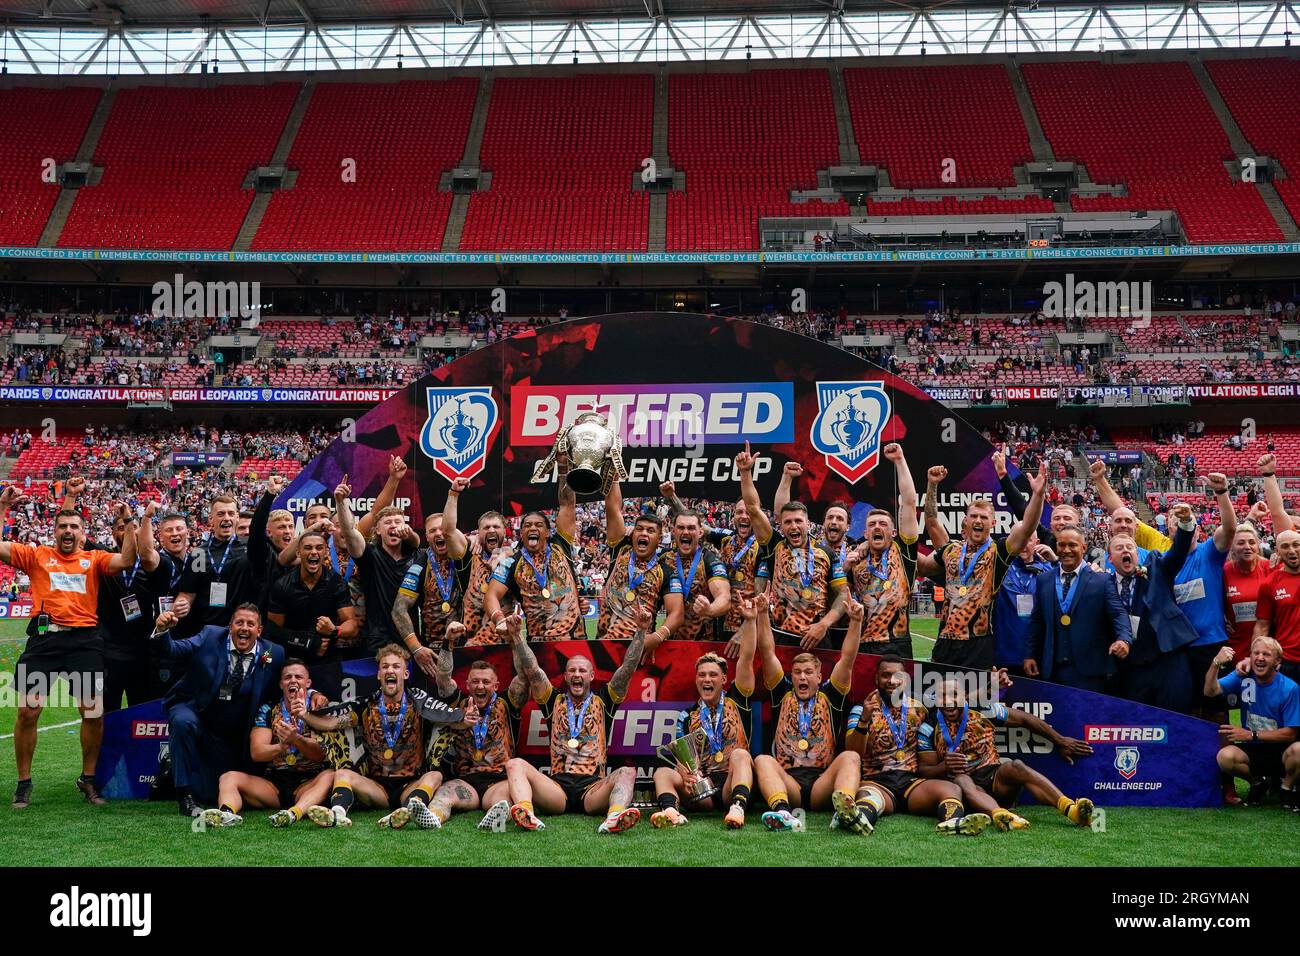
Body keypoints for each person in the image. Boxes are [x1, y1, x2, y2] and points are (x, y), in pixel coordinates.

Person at [0, 490, 140, 809]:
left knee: (92, 712)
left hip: (84, 642)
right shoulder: (37, 555)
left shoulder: (94, 559)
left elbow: (128, 559)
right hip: (45, 641)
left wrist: (129, 520)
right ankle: (23, 784)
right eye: (63, 526)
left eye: (74, 527)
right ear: (55, 531)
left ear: (83, 533)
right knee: (27, 711)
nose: (68, 531)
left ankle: (88, 780)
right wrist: (3, 506)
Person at [502, 606, 650, 833]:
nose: (577, 675)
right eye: (572, 671)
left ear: (591, 676)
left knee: (628, 772)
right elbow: (533, 670)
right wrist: (516, 636)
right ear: (565, 675)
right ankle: (527, 813)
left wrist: (641, 630)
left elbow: (628, 668)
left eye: (582, 671)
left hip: (592, 789)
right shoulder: (553, 701)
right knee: (514, 764)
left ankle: (613, 817)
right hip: (556, 789)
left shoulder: (605, 701)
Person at [299, 643, 459, 829]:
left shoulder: (418, 702)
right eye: (385, 666)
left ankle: (406, 811)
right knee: (342, 774)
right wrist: (304, 715)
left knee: (434, 776)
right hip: (377, 787)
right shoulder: (367, 705)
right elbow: (331, 723)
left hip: (411, 785)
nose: (390, 670)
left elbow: (449, 718)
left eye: (396, 666)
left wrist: (467, 720)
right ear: (378, 674)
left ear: (405, 674)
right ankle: (337, 814)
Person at [150, 603, 286, 816]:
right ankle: (183, 795)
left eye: (251, 624)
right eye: (239, 622)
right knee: (183, 722)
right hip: (196, 710)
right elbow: (173, 650)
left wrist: (313, 694)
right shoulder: (210, 636)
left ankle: (170, 771)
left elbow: (287, 682)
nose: (244, 628)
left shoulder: (274, 654)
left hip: (230, 731)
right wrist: (162, 630)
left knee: (214, 793)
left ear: (259, 631)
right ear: (230, 626)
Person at [752, 591, 867, 833]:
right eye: (797, 672)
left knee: (851, 758)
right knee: (762, 760)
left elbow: (848, 658)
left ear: (819, 676)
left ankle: (843, 811)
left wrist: (855, 622)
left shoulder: (831, 695)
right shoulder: (781, 692)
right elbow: (767, 652)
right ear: (791, 675)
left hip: (822, 783)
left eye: (807, 672)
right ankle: (783, 812)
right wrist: (762, 614)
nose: (802, 677)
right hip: (789, 781)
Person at [918, 677, 1096, 831]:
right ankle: (1002, 816)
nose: (949, 701)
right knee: (961, 780)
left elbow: (1024, 719)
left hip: (994, 779)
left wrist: (1060, 741)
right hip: (965, 791)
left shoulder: (984, 710)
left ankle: (1071, 810)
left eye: (954, 695)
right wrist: (944, 766)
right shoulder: (928, 726)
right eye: (942, 696)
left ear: (964, 696)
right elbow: (925, 770)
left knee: (1016, 766)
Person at [919, 461, 1045, 670]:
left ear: (993, 523)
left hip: (979, 643)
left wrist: (1038, 496)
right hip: (945, 641)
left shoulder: (998, 552)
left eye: (984, 517)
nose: (978, 520)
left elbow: (1026, 528)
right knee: (940, 700)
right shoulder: (951, 551)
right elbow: (925, 555)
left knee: (977, 701)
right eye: (974, 516)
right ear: (966, 520)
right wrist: (932, 485)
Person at [844, 656, 987, 836]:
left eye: (898, 676)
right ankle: (859, 820)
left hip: (911, 782)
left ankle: (951, 822)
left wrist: (992, 686)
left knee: (950, 789)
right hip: (877, 780)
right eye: (885, 676)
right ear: (876, 679)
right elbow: (852, 751)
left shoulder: (920, 708)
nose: (892, 681)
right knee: (869, 797)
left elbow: (955, 698)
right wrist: (864, 719)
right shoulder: (861, 708)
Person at [651, 595, 760, 830]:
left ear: (724, 679)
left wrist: (750, 621)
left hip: (733, 782)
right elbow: (683, 760)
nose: (707, 679)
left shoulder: (738, 700)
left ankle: (738, 808)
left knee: (741, 755)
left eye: (712, 675)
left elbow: (747, 658)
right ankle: (670, 811)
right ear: (696, 679)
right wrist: (686, 774)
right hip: (705, 788)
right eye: (702, 675)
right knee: (662, 772)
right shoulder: (686, 716)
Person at [199, 658, 335, 828]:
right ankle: (226, 813)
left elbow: (320, 755)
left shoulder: (318, 708)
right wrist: (282, 747)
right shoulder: (268, 710)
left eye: (299, 677)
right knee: (229, 777)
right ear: (280, 684)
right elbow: (257, 752)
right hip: (274, 785)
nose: (293, 680)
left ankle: (293, 813)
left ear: (308, 683)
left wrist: (296, 740)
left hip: (308, 782)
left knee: (330, 775)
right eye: (287, 677)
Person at [739, 443, 847, 649]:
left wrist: (824, 624)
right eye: (788, 522)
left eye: (798, 521)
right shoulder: (774, 547)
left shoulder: (827, 553)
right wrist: (745, 473)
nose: (793, 526)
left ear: (808, 523)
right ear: (781, 524)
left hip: (818, 638)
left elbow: (842, 594)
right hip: (779, 636)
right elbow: (753, 508)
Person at [485, 452, 584, 641]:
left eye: (538, 525)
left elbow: (567, 504)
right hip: (537, 642)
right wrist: (499, 619)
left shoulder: (560, 545)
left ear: (547, 532)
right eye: (527, 525)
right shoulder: (511, 563)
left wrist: (563, 469)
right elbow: (491, 595)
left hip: (575, 639)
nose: (532, 528)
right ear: (520, 533)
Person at [1111, 504, 1199, 712]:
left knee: (1177, 717)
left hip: (1167, 655)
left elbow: (1178, 553)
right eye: (1119, 548)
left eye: (1130, 548)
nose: (1126, 551)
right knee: (1138, 721)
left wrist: (1186, 524)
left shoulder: (1156, 566)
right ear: (1110, 558)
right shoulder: (1103, 581)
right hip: (1131, 663)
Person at [1024, 526, 1132, 692]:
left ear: (1083, 547)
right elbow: (1037, 621)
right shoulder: (1044, 580)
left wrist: (1123, 639)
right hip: (1053, 669)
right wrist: (1030, 654)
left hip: (1091, 672)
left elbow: (1118, 613)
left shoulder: (1102, 581)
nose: (1066, 550)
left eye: (1072, 545)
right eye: (1061, 545)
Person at [842, 442, 920, 660]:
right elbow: (838, 597)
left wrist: (899, 461)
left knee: (901, 695)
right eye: (872, 524)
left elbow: (909, 501)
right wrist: (844, 568)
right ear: (865, 534)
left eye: (883, 524)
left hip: (898, 641)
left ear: (894, 532)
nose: (877, 527)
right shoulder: (854, 559)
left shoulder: (904, 552)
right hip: (864, 641)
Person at [1205, 638, 1300, 807]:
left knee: (1299, 750)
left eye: (1266, 654)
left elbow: (1290, 733)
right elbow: (1210, 691)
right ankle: (1257, 782)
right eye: (1256, 653)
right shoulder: (1243, 676)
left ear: (1277, 661)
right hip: (1255, 748)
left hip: (1282, 750)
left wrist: (1250, 734)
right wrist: (1216, 663)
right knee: (1225, 757)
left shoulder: (1290, 688)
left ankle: (1287, 786)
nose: (1260, 658)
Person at [334, 476, 421, 656]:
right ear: (378, 531)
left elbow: (417, 543)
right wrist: (341, 502)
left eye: (398, 522)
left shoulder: (417, 555)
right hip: (376, 641)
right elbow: (350, 533)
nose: (394, 526)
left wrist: (412, 536)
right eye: (388, 523)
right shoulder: (370, 555)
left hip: (411, 640)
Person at [600, 481, 682, 647]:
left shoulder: (665, 571)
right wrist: (614, 476)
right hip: (604, 644)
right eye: (640, 529)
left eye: (650, 531)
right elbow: (613, 508)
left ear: (659, 540)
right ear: (632, 533)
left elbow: (677, 612)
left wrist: (658, 637)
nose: (644, 533)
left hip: (640, 647)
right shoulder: (620, 550)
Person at [440, 476, 515, 645]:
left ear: (505, 530)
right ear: (478, 532)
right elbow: (447, 531)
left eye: (496, 527)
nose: (491, 530)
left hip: (505, 641)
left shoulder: (515, 558)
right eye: (486, 527)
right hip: (469, 641)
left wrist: (507, 554)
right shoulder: (469, 554)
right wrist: (453, 494)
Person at [265, 530, 358, 662]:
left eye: (319, 548)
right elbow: (272, 631)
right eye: (308, 548)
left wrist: (334, 631)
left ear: (326, 552)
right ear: (298, 553)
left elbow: (352, 626)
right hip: (292, 658)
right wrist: (306, 643)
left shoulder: (336, 583)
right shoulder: (283, 585)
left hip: (327, 657)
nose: (314, 552)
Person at [656, 509, 728, 643]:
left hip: (704, 646)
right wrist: (629, 534)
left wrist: (710, 609)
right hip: (669, 643)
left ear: (700, 532)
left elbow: (724, 597)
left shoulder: (709, 560)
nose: (685, 532)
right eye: (681, 527)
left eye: (691, 528)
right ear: (673, 531)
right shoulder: (664, 558)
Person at [993, 531, 1056, 675]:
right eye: (1018, 539)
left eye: (1028, 540)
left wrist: (1055, 560)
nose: (1022, 544)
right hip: (1005, 654)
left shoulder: (1048, 570)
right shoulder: (1001, 569)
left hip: (1038, 654)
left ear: (1037, 543)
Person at [1253, 528, 1300, 683]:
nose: (1292, 550)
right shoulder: (1269, 584)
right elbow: (1262, 625)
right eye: (1285, 546)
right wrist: (1254, 656)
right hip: (1288, 661)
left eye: (1296, 545)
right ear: (1277, 551)